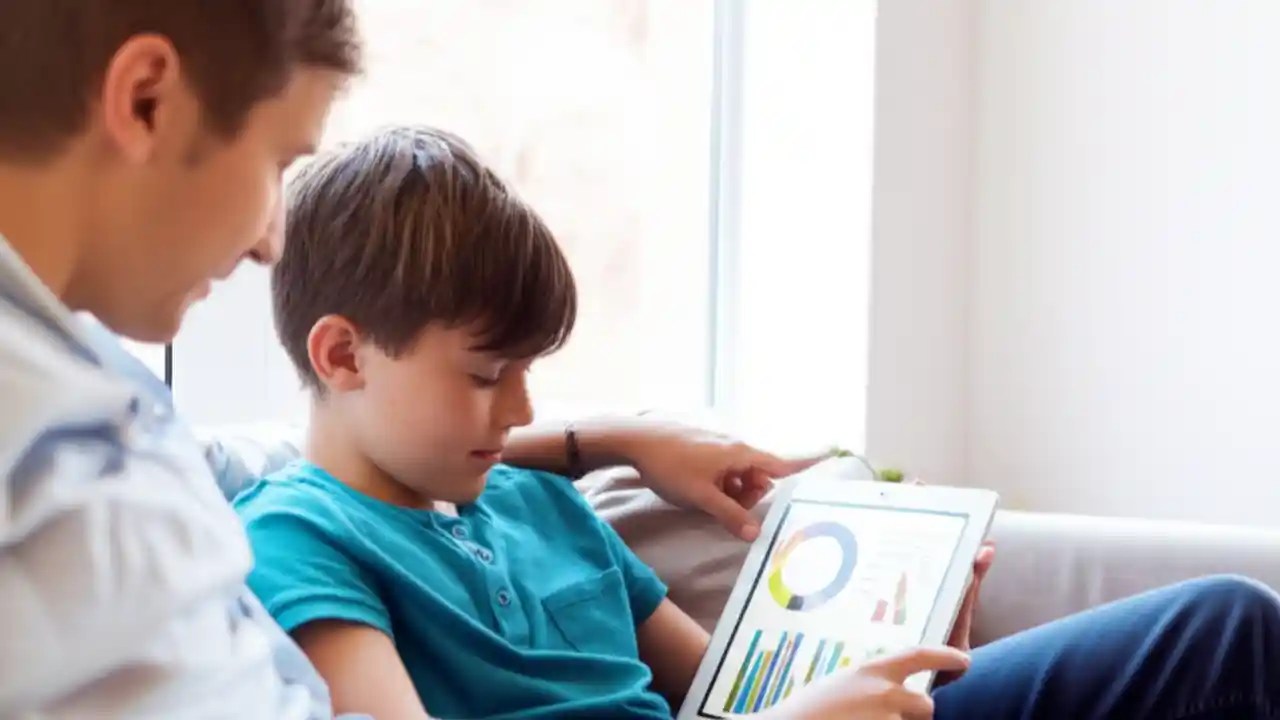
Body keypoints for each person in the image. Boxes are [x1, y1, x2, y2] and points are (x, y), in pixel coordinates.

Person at [240, 124, 1280, 720]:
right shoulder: (297, 537)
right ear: (342, 355)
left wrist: (900, 656)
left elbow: (723, 698)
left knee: (1223, 627)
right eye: (485, 374)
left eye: (527, 373)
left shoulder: (533, 504)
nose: (519, 408)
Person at [0, 3, 821, 717]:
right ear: (147, 100)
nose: (270, 241)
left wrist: (615, 442)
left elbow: (303, 460)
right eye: (278, 161)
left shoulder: (98, 404)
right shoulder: (54, 469)